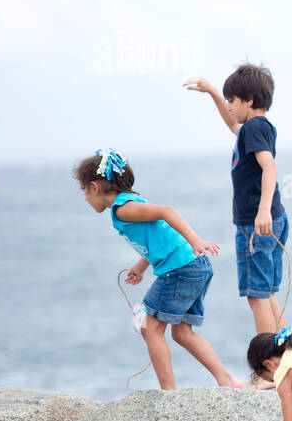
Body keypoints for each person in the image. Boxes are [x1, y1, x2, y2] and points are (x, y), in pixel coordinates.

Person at [76, 148, 241, 390]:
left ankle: (169, 392)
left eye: (84, 192)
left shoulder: (123, 209)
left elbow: (167, 212)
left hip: (180, 269)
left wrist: (196, 241)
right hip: (195, 267)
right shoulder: (130, 203)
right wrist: (141, 266)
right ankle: (227, 380)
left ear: (94, 187)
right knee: (182, 333)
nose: (86, 198)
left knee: (149, 327)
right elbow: (157, 237)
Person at [184, 64, 289, 357]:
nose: (229, 107)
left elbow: (270, 168)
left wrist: (262, 211)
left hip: (257, 224)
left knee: (256, 295)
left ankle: (271, 363)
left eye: (233, 101)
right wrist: (214, 93)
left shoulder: (254, 128)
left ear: (250, 101)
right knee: (267, 292)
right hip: (273, 220)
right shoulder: (259, 127)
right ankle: (290, 358)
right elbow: (232, 124)